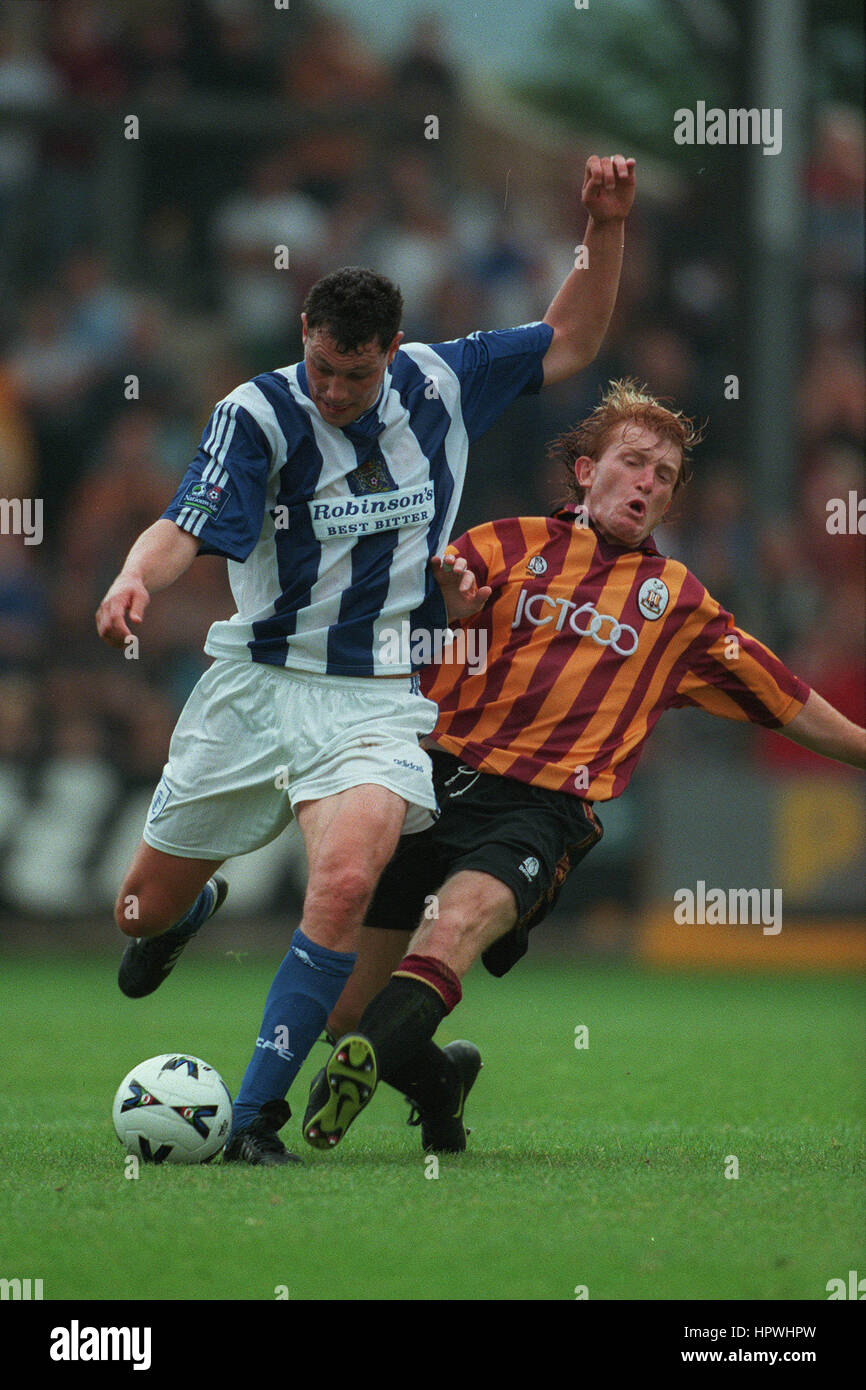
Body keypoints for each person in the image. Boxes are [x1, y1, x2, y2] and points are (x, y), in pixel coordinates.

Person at [95, 155, 638, 1166]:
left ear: (393, 351)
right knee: (138, 906)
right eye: (323, 368)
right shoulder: (254, 415)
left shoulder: (438, 381)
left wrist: (602, 227)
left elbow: (570, 336)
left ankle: (254, 1121)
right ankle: (184, 914)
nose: (338, 390)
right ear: (302, 339)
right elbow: (182, 525)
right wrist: (136, 578)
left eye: (358, 372)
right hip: (255, 686)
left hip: (377, 697)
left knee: (343, 883)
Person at [297, 378, 866, 1154]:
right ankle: (438, 1082)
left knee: (455, 926)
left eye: (664, 478)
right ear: (585, 470)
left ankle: (348, 1085)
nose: (647, 483)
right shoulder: (501, 542)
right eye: (633, 463)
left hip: (541, 811)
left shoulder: (680, 605)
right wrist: (445, 605)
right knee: (345, 1012)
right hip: (426, 783)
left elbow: (789, 699)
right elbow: (398, 620)